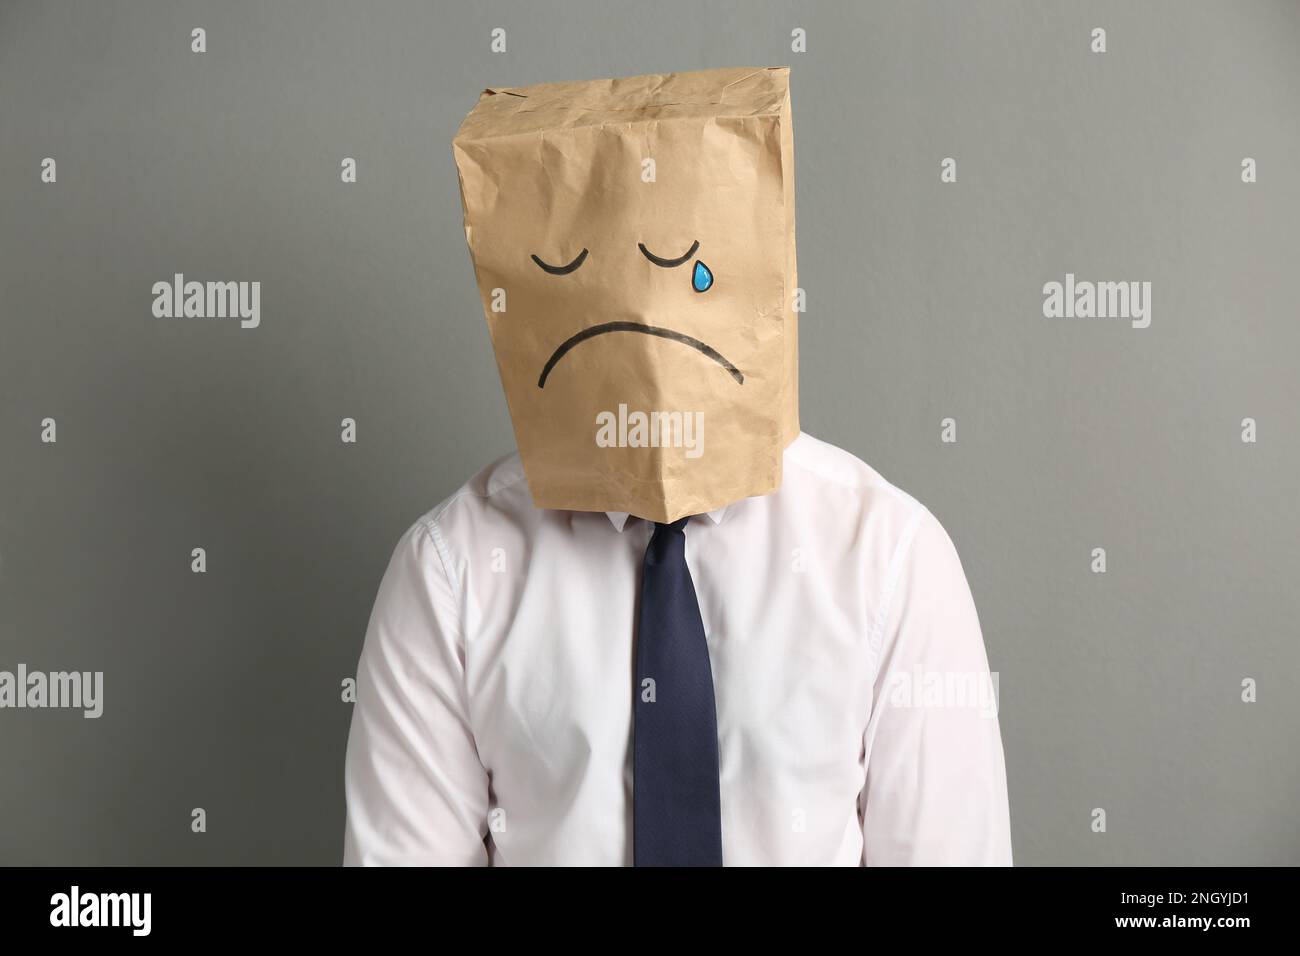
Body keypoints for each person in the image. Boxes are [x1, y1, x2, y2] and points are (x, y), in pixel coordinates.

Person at [343, 67, 1012, 866]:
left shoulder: (888, 558)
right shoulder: (452, 575)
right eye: (575, 278)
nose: (649, 330)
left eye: (693, 275)